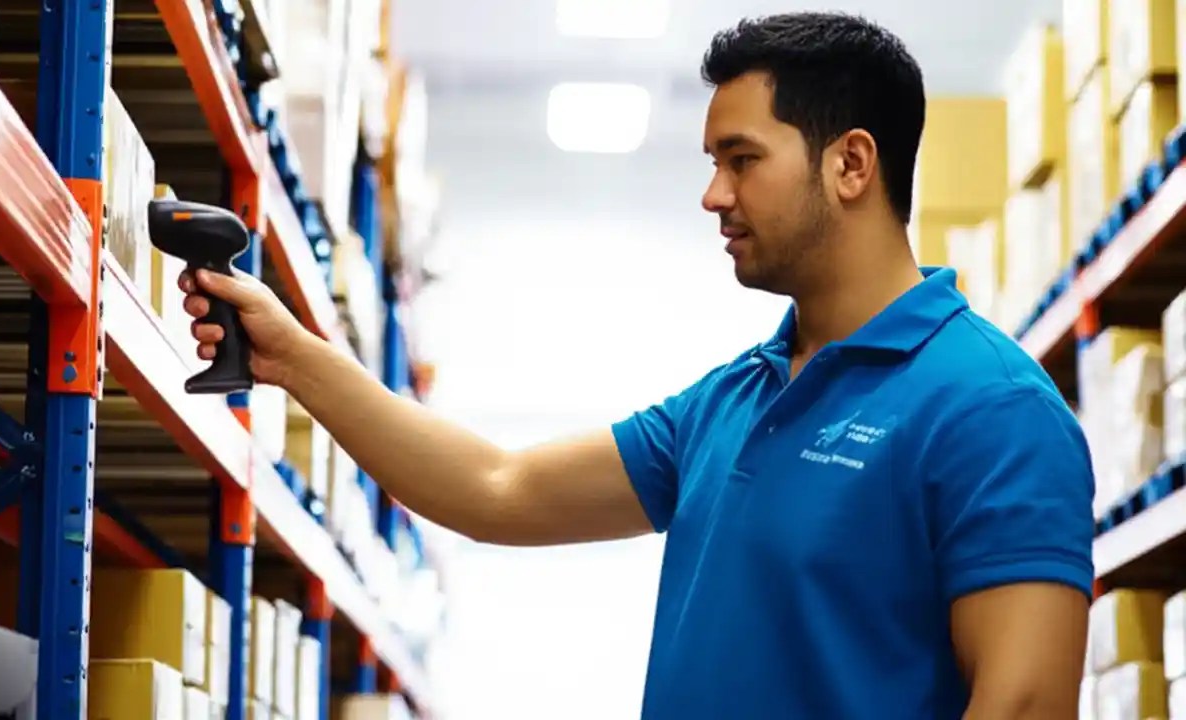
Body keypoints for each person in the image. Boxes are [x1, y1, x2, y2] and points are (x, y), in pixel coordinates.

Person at [179, 11, 1094, 720]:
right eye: (712, 162)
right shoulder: (735, 398)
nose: (714, 195)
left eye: (743, 160)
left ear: (852, 164)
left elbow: (1024, 703)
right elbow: (498, 486)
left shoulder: (991, 408)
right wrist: (293, 356)